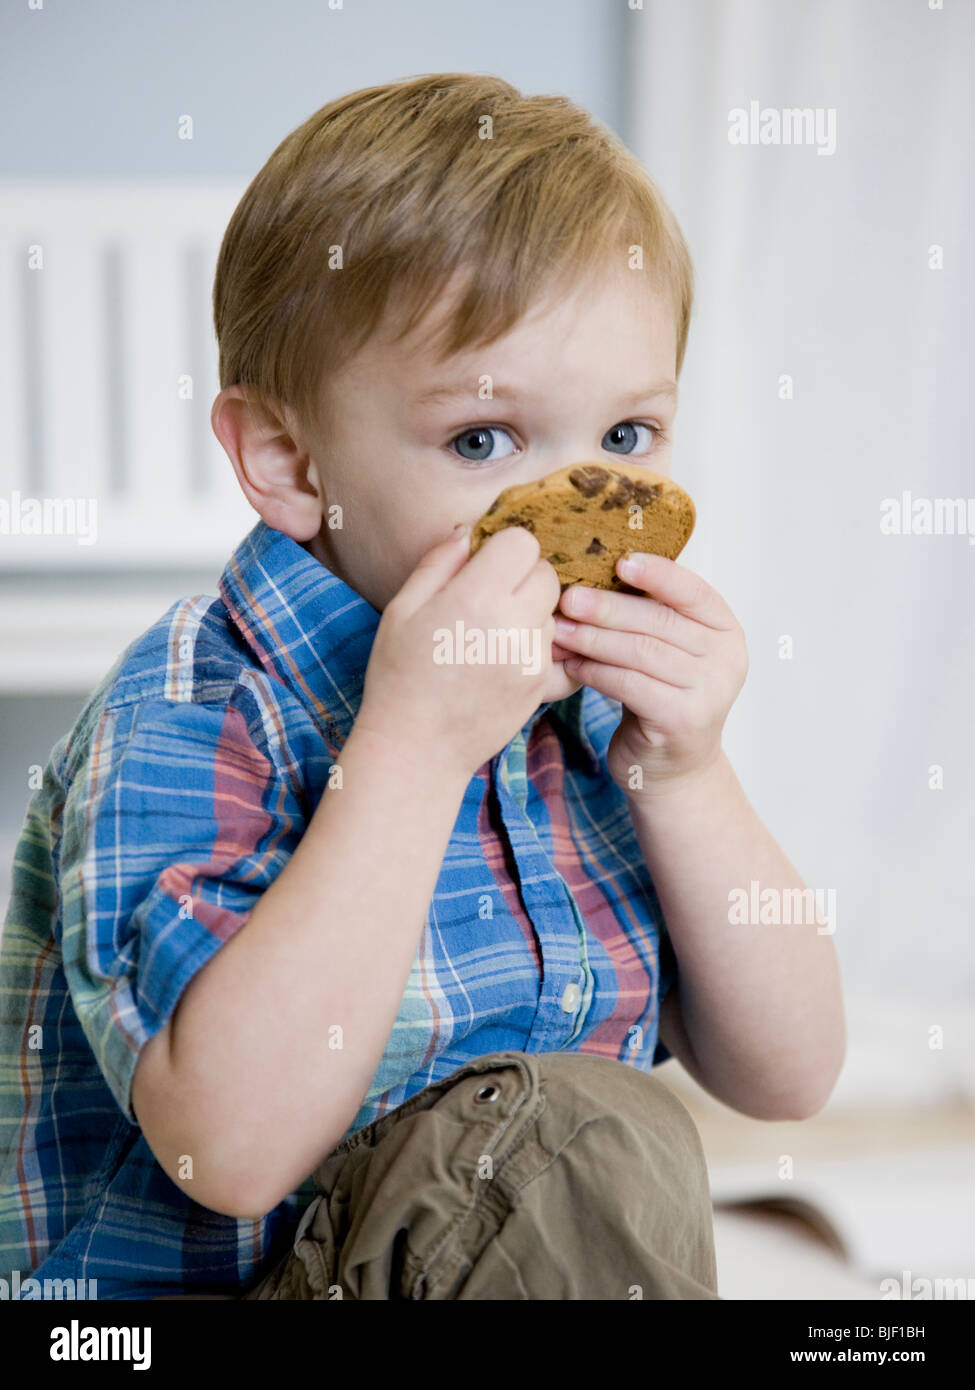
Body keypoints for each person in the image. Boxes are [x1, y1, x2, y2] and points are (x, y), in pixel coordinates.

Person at [0, 73, 845, 1301]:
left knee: (602, 1140)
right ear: (292, 461)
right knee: (567, 1139)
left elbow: (793, 1072)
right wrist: (406, 752)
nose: (575, 506)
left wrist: (689, 775)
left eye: (626, 438)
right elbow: (223, 1147)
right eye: (483, 442)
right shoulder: (195, 707)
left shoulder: (597, 715)